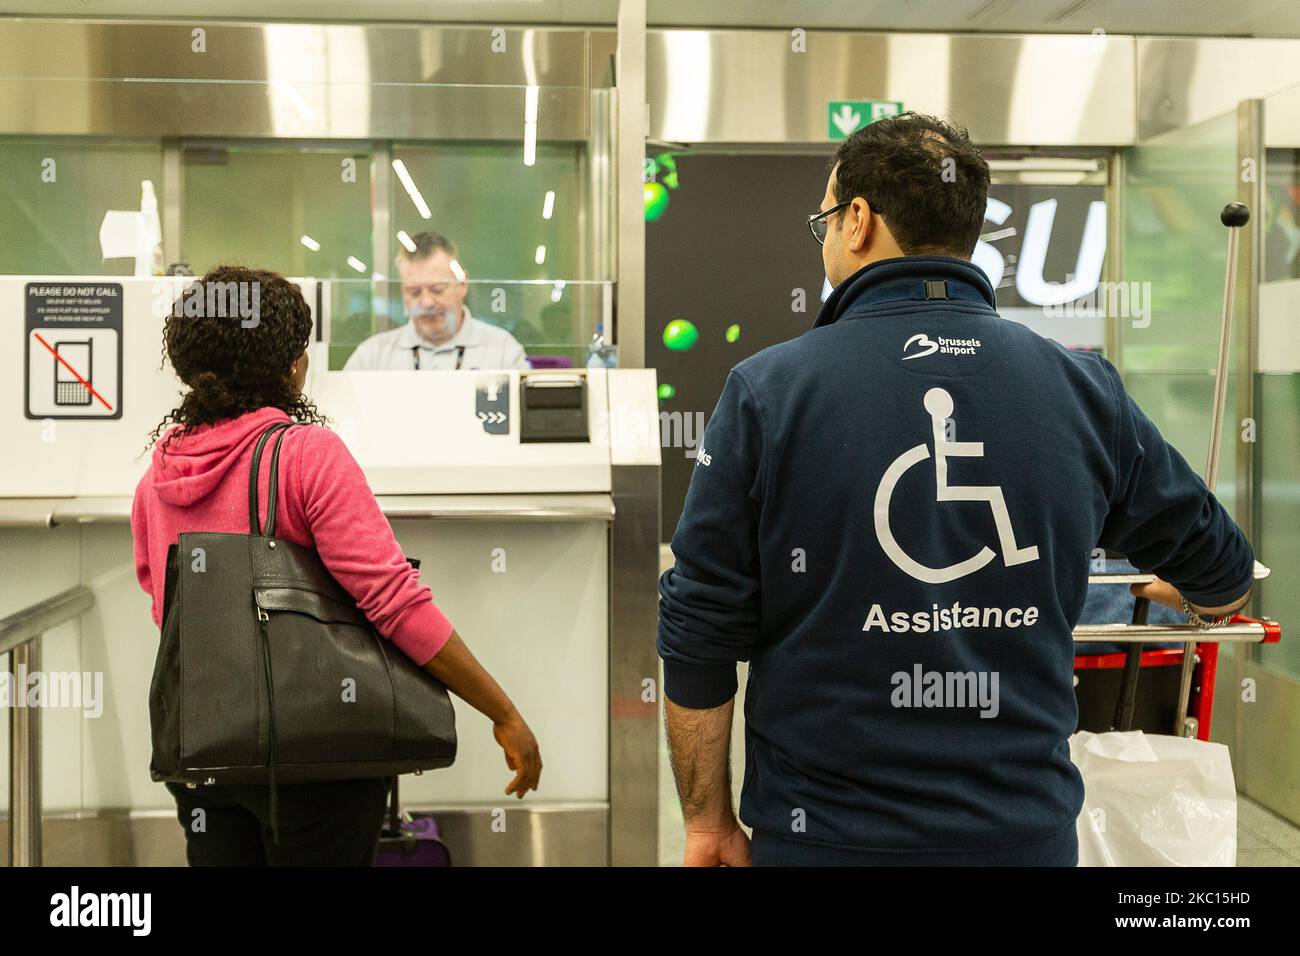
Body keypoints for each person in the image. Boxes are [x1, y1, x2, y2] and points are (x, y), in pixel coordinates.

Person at [656, 112, 1255, 867]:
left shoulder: (768, 393)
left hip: (823, 840)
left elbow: (700, 629)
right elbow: (1225, 573)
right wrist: (1194, 591)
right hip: (1020, 837)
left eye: (825, 223)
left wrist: (708, 823)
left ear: (859, 222)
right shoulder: (1082, 390)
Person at [132, 265, 541, 866]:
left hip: (201, 751)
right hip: (313, 757)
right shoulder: (305, 454)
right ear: (292, 362)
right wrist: (503, 712)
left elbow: (163, 606)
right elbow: (393, 600)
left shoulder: (158, 473)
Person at [343, 231, 529, 370]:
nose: (426, 303)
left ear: (462, 285)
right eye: (414, 292)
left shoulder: (503, 351)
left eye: (437, 290)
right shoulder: (372, 356)